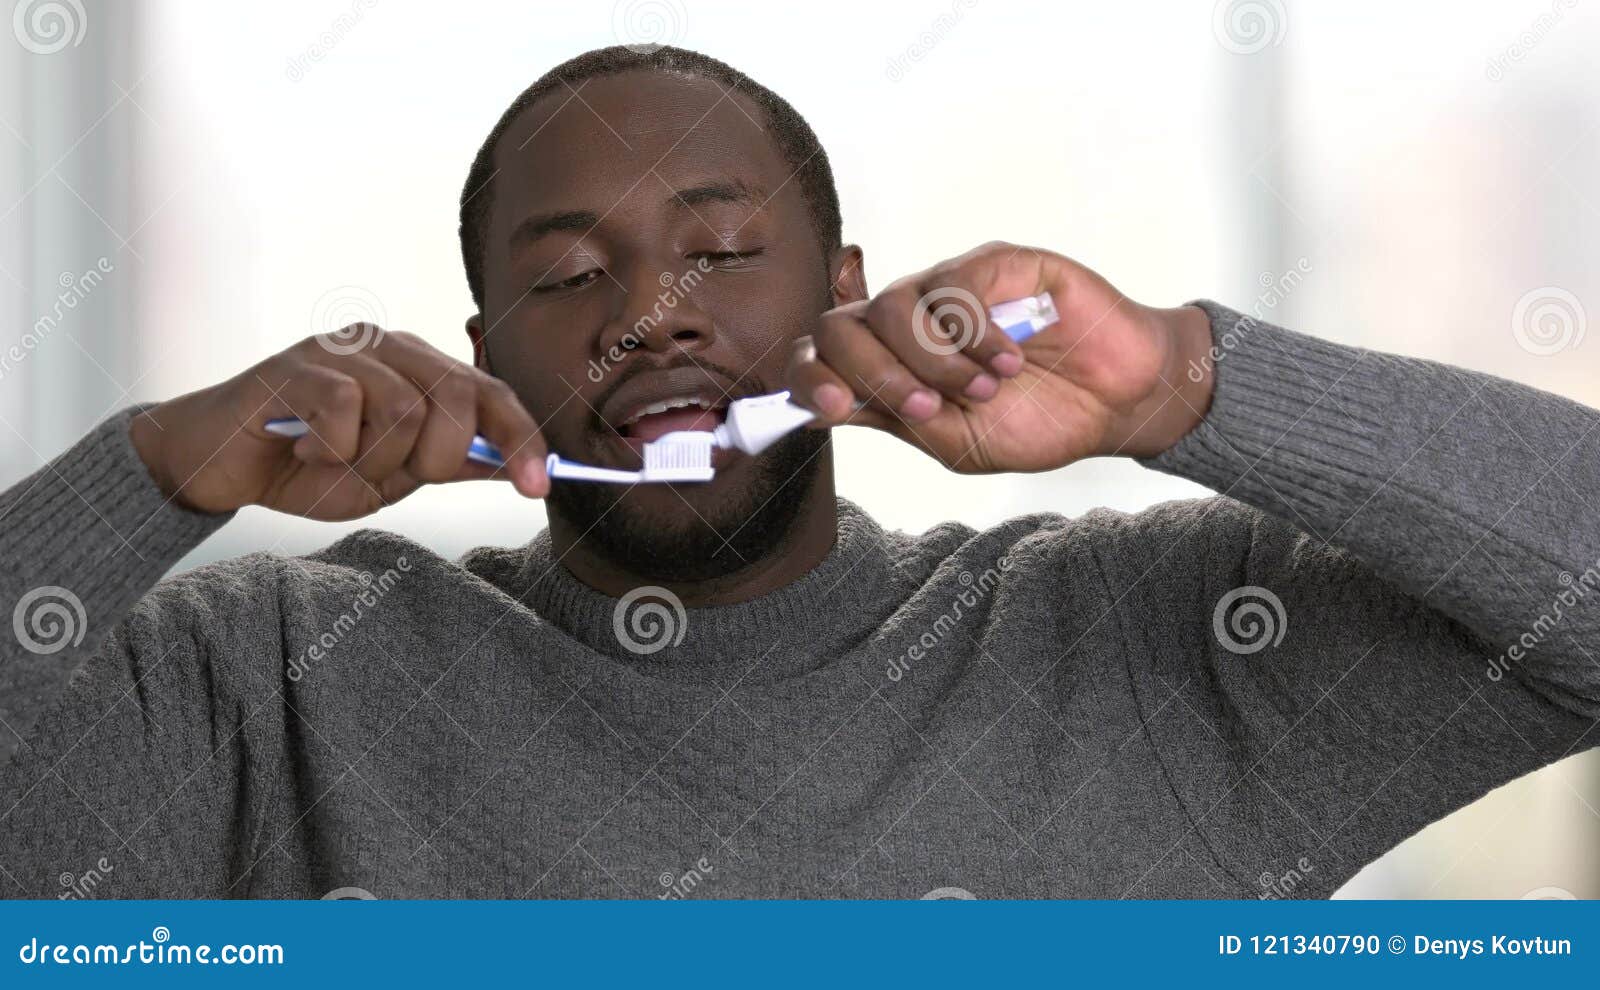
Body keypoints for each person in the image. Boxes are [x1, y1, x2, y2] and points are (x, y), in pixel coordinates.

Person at [1, 45, 1595, 900]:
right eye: (567, 281)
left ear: (839, 285)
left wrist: (1191, 382)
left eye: (724, 250)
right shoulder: (275, 685)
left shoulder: (1151, 652)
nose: (649, 318)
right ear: (484, 341)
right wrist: (148, 472)